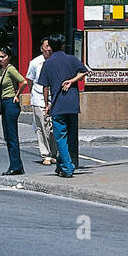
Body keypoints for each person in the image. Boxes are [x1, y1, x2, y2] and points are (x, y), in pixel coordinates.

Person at [36, 34, 88, 178]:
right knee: (71, 137)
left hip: (58, 104)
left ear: (50, 47)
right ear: (63, 45)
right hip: (72, 103)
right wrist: (72, 81)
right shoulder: (71, 59)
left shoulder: (48, 63)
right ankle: (61, 164)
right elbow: (84, 71)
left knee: (61, 138)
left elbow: (45, 87)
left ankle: (67, 167)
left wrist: (47, 104)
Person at [0, 44, 28, 177]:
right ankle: (16, 165)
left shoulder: (10, 69)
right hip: (4, 103)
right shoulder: (3, 70)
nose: (0, 59)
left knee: (12, 136)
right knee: (7, 136)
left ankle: (15, 166)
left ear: (8, 57)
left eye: (3, 57)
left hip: (10, 103)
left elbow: (23, 81)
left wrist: (16, 95)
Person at [25, 38, 55, 166]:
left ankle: (54, 153)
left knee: (53, 128)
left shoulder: (55, 61)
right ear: (41, 48)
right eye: (46, 46)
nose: (48, 49)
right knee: (42, 127)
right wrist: (35, 96)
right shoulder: (35, 63)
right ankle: (46, 154)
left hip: (54, 99)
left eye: (50, 46)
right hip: (39, 99)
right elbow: (30, 80)